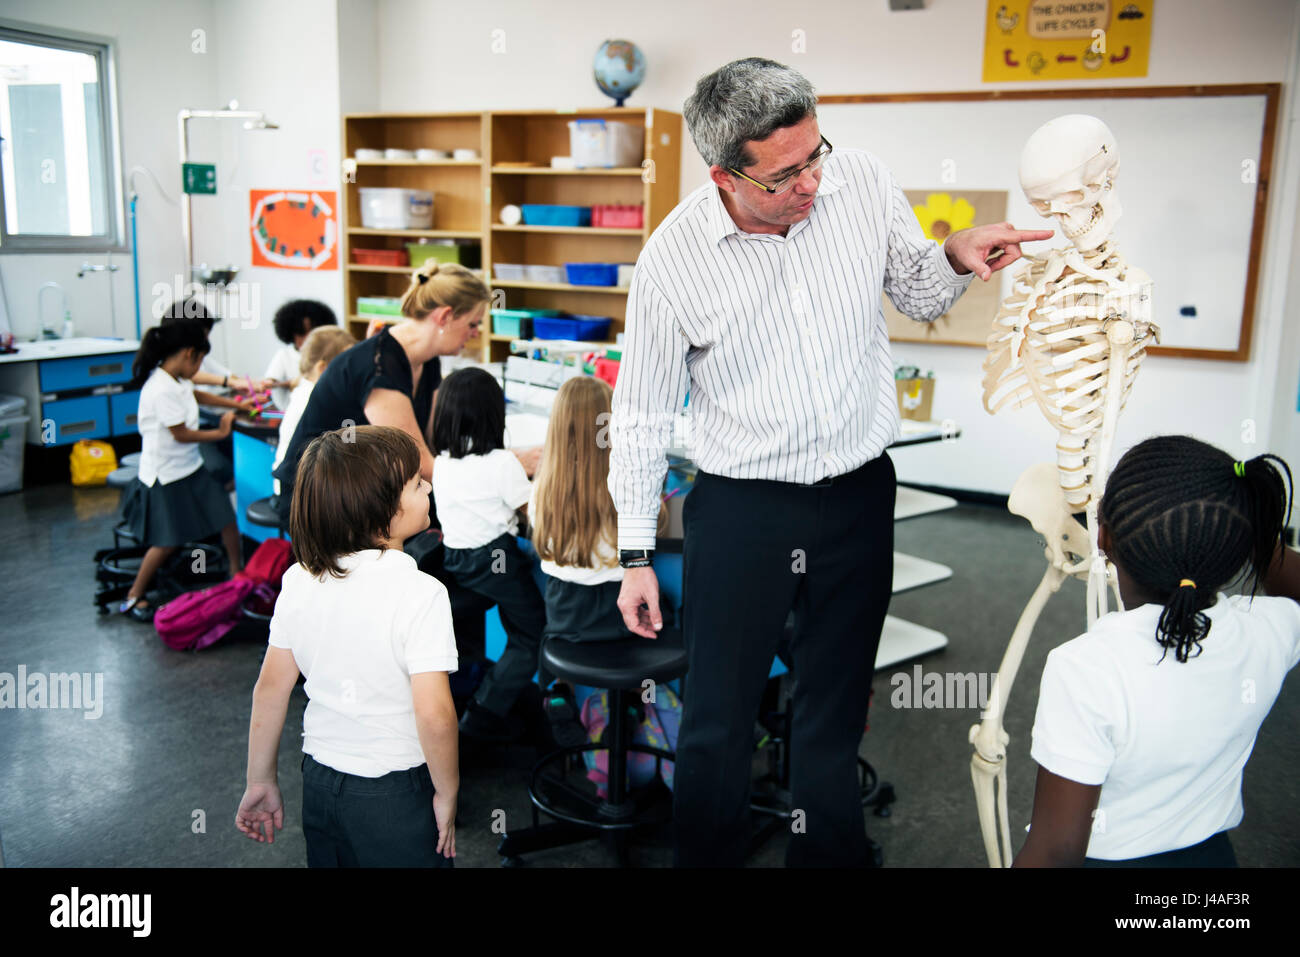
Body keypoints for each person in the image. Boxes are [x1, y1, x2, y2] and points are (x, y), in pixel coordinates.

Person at [608, 57, 1053, 867]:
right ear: (724, 174)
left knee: (836, 710)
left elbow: (916, 290)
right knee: (718, 718)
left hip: (855, 493)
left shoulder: (862, 183)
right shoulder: (674, 258)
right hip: (744, 507)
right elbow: (639, 415)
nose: (812, 181)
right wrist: (636, 552)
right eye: (785, 174)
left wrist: (953, 256)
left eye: (817, 154)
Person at [1014, 436, 1299, 868]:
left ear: (1103, 537)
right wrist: (1255, 536)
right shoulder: (1271, 628)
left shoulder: (1085, 668)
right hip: (1213, 859)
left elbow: (1056, 850)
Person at [235, 425, 459, 867]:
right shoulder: (421, 592)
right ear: (381, 514)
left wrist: (260, 778)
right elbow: (434, 715)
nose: (429, 485)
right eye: (417, 483)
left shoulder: (298, 579)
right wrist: (448, 791)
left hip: (320, 783)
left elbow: (271, 689)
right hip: (394, 792)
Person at [273, 260, 541, 527]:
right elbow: (420, 464)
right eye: (473, 324)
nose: (474, 333)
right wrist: (507, 467)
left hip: (364, 487)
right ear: (445, 316)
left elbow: (437, 442)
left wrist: (498, 456)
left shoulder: (427, 360)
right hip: (318, 498)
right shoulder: (379, 364)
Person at [528, 375, 672, 744]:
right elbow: (654, 526)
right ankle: (631, 703)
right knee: (665, 612)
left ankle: (557, 690)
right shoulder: (627, 489)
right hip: (622, 615)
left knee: (549, 626)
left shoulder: (542, 491)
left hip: (567, 618)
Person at [431, 367, 547, 741]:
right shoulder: (502, 464)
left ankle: (500, 697)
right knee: (534, 635)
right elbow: (536, 515)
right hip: (494, 562)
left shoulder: (444, 460)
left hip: (456, 559)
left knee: (519, 621)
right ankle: (480, 718)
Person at [118, 320, 242, 621]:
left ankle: (237, 574)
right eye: (199, 359)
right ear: (189, 354)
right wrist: (220, 432)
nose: (200, 367)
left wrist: (236, 403)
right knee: (167, 542)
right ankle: (133, 596)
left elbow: (197, 396)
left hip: (190, 467)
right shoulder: (159, 388)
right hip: (166, 473)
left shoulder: (177, 380)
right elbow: (182, 434)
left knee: (226, 518)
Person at [160, 300, 261, 488]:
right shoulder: (165, 377)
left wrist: (243, 392)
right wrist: (219, 432)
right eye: (204, 336)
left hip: (196, 439)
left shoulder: (187, 363)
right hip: (173, 467)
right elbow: (182, 433)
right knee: (221, 469)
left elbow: (196, 391)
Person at [271, 325, 356, 496]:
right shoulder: (311, 398)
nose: (353, 371)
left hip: (302, 481)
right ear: (323, 368)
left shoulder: (305, 389)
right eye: (348, 365)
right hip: (296, 491)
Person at [264, 299, 339, 411]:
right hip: (291, 411)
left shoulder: (328, 355)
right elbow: (269, 383)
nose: (308, 338)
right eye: (302, 333)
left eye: (314, 332)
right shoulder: (284, 355)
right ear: (292, 334)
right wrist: (287, 383)